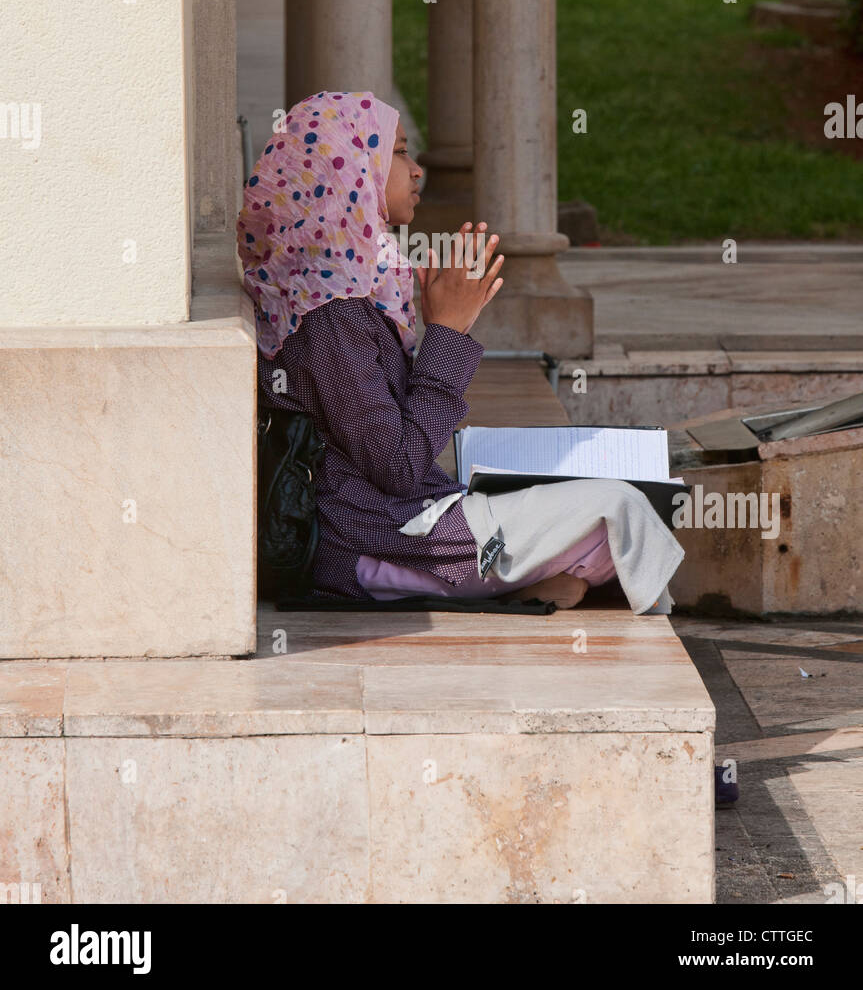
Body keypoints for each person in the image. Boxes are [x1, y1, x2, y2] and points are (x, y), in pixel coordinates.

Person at [237, 90, 683, 610]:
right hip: (382, 543)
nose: (417, 170)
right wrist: (447, 331)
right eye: (399, 152)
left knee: (618, 503)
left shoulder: (347, 291)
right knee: (621, 506)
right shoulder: (329, 316)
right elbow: (399, 467)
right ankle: (553, 591)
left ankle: (535, 580)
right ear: (350, 172)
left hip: (409, 523)